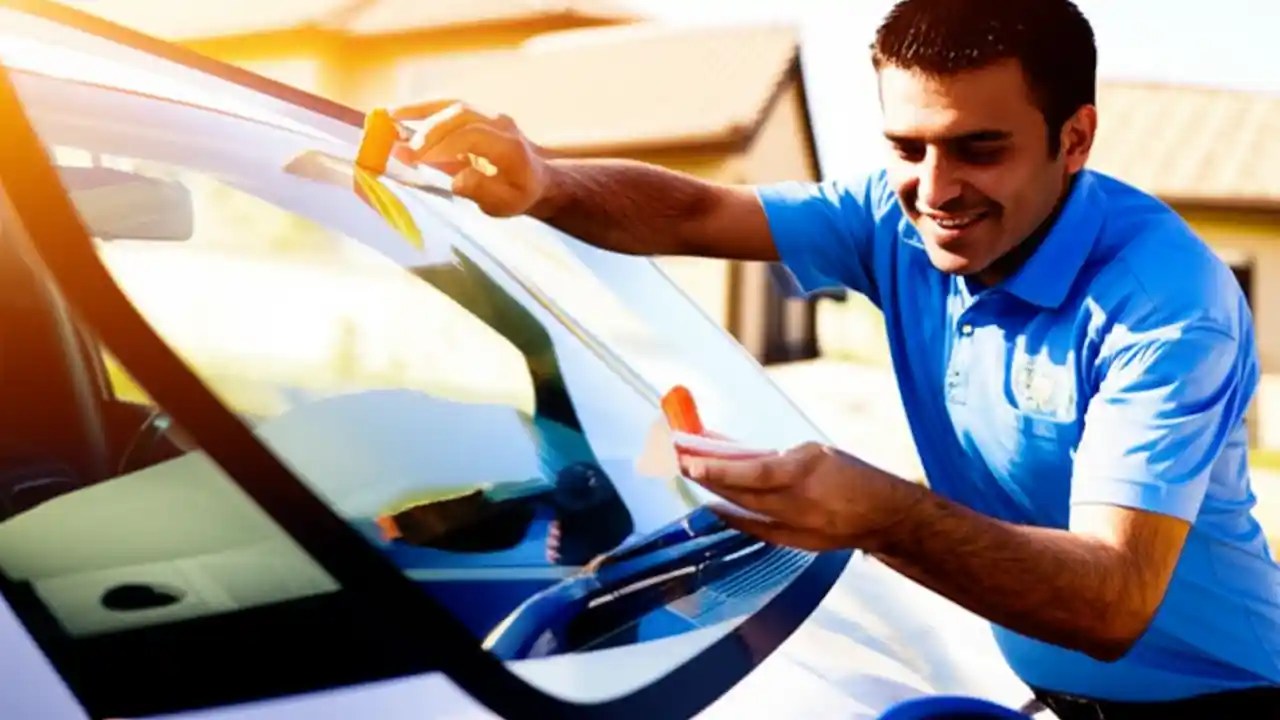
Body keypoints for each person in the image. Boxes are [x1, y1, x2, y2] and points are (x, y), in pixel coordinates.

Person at [388, 0, 1280, 715]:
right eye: (907, 147)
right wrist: (546, 181)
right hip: (1044, 689)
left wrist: (879, 515)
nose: (935, 192)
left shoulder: (1165, 304)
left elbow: (1112, 602)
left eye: (980, 149)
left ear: (1075, 139)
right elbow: (699, 213)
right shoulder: (894, 220)